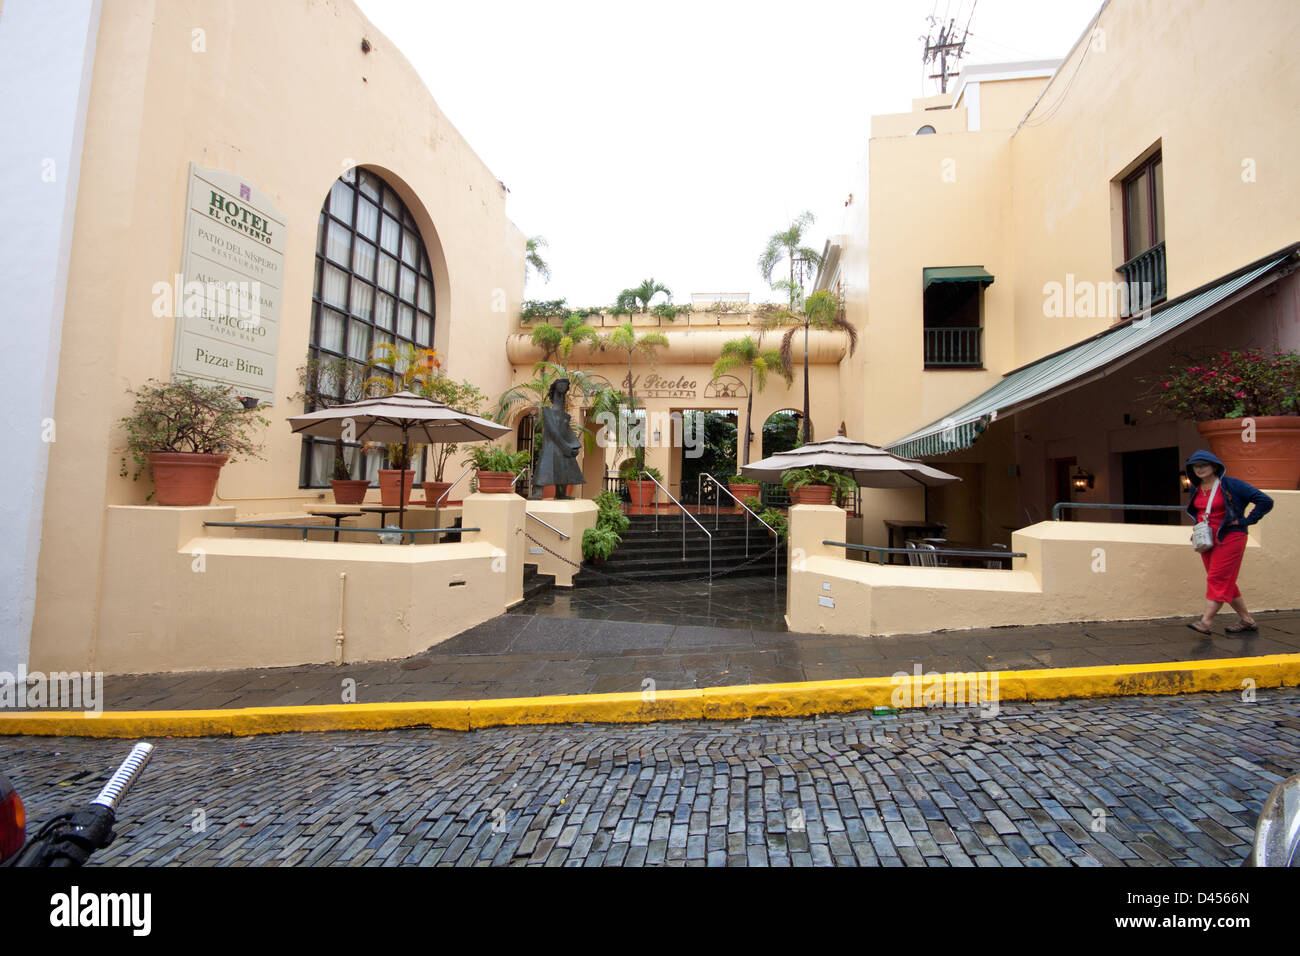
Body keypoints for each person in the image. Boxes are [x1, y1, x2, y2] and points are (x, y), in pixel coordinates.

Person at [1183, 450, 1273, 634]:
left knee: (1217, 578)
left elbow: (1265, 501)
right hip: (1207, 539)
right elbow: (1201, 512)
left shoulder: (1231, 484)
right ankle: (1247, 620)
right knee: (1225, 581)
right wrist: (1199, 529)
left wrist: (1245, 521)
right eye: (1195, 466)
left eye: (1203, 465)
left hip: (1230, 536)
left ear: (1214, 466)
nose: (1199, 469)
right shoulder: (1196, 487)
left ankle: (1206, 622)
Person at [530, 378, 585, 500]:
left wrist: (574, 445)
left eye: (565, 386)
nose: (564, 388)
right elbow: (553, 431)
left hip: (562, 445)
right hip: (551, 446)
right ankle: (537, 493)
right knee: (545, 465)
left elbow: (567, 431)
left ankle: (561, 493)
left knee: (564, 465)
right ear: (555, 388)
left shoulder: (564, 415)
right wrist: (565, 446)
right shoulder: (547, 411)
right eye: (561, 385)